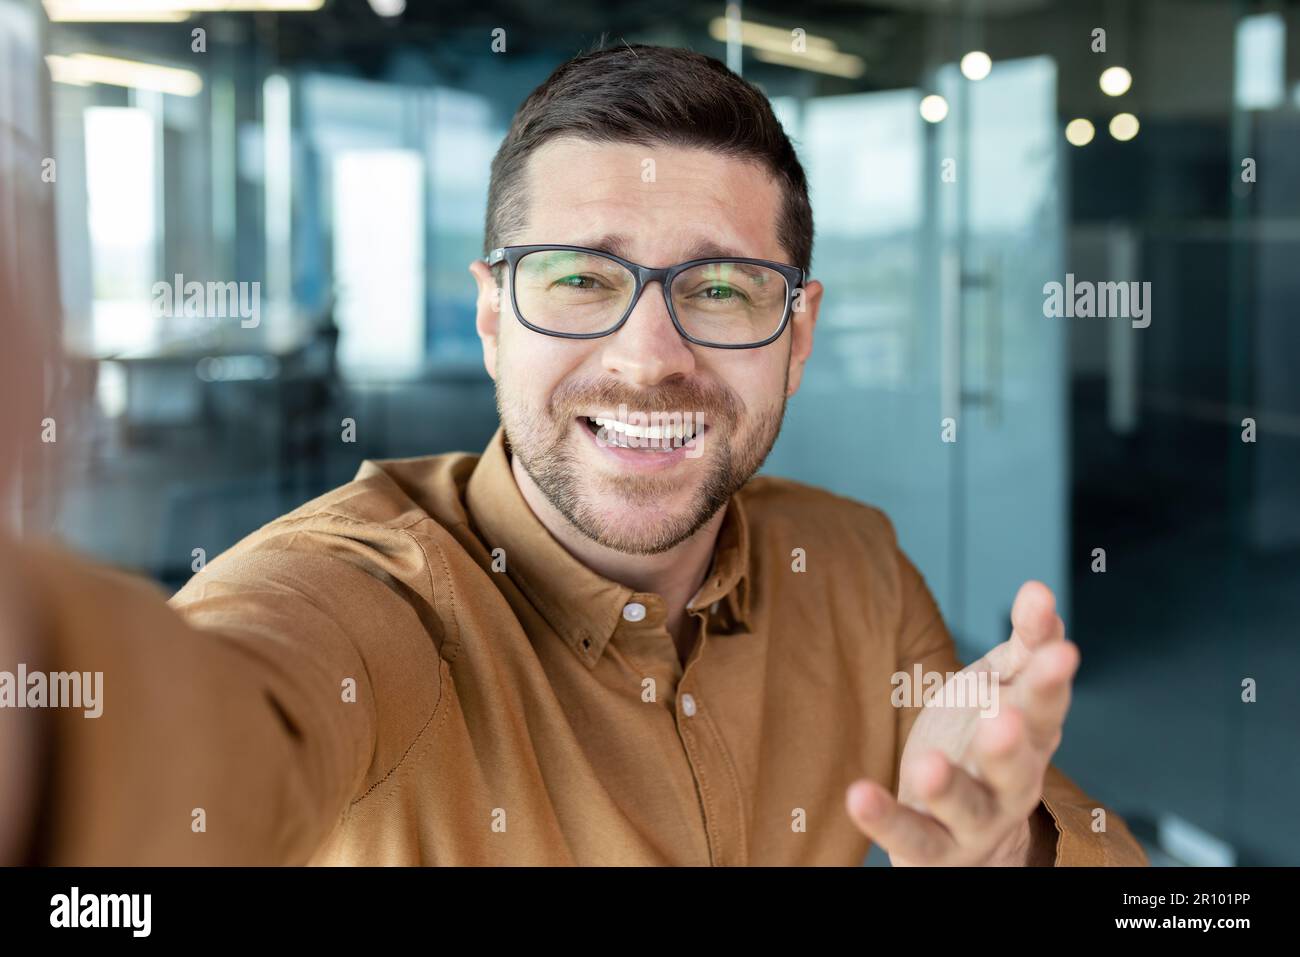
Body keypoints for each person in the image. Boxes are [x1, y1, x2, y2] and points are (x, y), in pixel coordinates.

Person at [0, 43, 1144, 866]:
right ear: (493, 316)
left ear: (795, 338)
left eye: (720, 288)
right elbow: (212, 734)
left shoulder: (849, 562)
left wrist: (1013, 858)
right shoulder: (369, 597)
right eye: (582, 280)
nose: (648, 357)